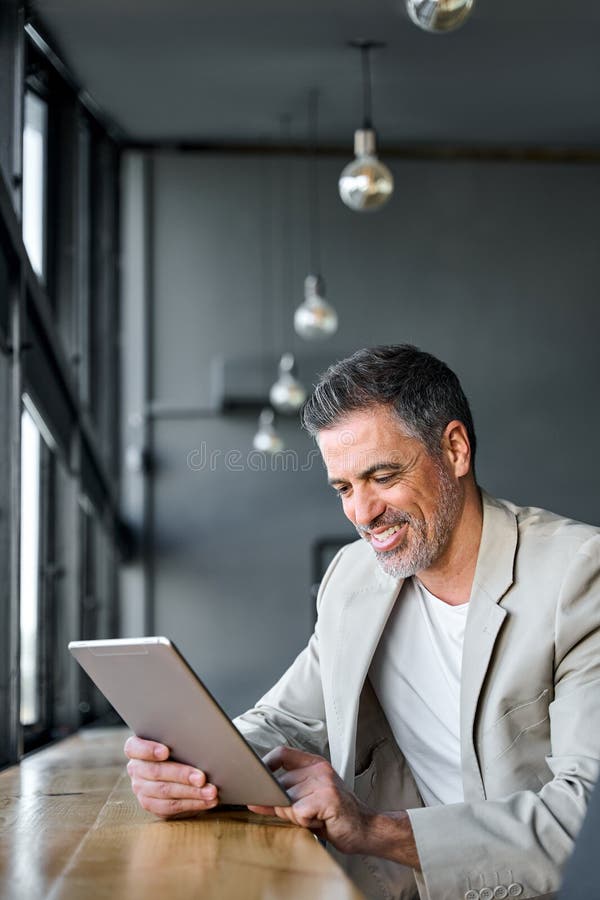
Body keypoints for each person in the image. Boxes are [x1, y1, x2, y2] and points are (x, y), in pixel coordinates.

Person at [124, 345, 600, 900]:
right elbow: (288, 720)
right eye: (344, 488)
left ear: (455, 449)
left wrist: (374, 829)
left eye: (383, 476)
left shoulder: (578, 574)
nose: (362, 513)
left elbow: (585, 817)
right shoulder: (354, 576)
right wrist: (190, 770)